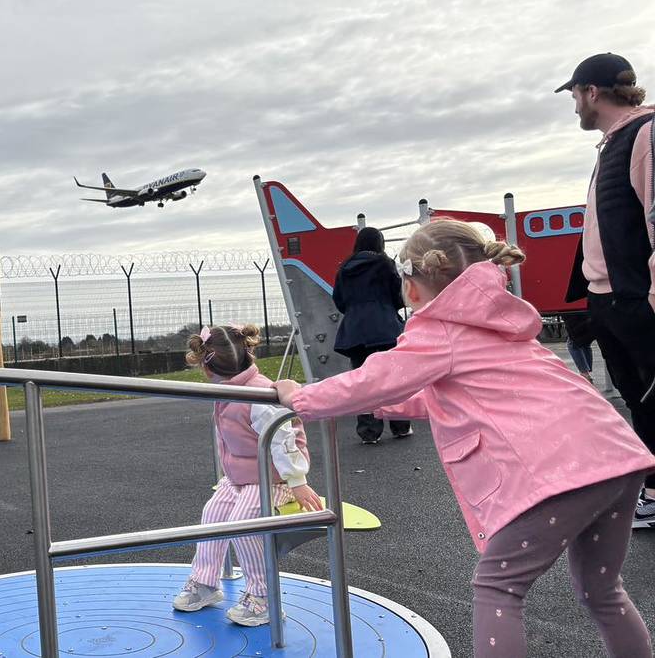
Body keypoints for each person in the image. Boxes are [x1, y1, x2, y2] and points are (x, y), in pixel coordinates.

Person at [272, 220, 655, 657]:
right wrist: (384, 405)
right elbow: (444, 397)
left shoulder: (439, 330)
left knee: (499, 585)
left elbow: (374, 379)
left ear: (412, 287)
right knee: (601, 589)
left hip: (563, 473)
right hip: (617, 459)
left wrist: (301, 396)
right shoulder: (500, 322)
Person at [555, 52, 655, 528]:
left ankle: (653, 495)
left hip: (634, 299)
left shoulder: (646, 135)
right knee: (639, 397)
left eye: (574, 94)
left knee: (652, 396)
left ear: (592, 92)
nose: (574, 105)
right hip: (610, 299)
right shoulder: (614, 143)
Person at [171, 324, 322, 627]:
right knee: (212, 513)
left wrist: (298, 482)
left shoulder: (258, 395)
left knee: (245, 524)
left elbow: (284, 439)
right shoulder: (227, 389)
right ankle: (204, 582)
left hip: (274, 478)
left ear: (205, 365)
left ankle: (263, 597)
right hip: (241, 476)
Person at [331, 226, 411, 443]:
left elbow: (339, 299)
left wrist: (356, 311)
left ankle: (368, 431)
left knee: (363, 379)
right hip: (385, 326)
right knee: (393, 377)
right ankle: (400, 425)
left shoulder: (345, 268)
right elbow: (399, 294)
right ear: (380, 243)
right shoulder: (385, 263)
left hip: (355, 330)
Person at [560, 313, 595, 382]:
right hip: (587, 316)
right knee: (585, 344)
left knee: (573, 345)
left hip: (575, 318)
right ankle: (587, 371)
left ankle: (585, 373)